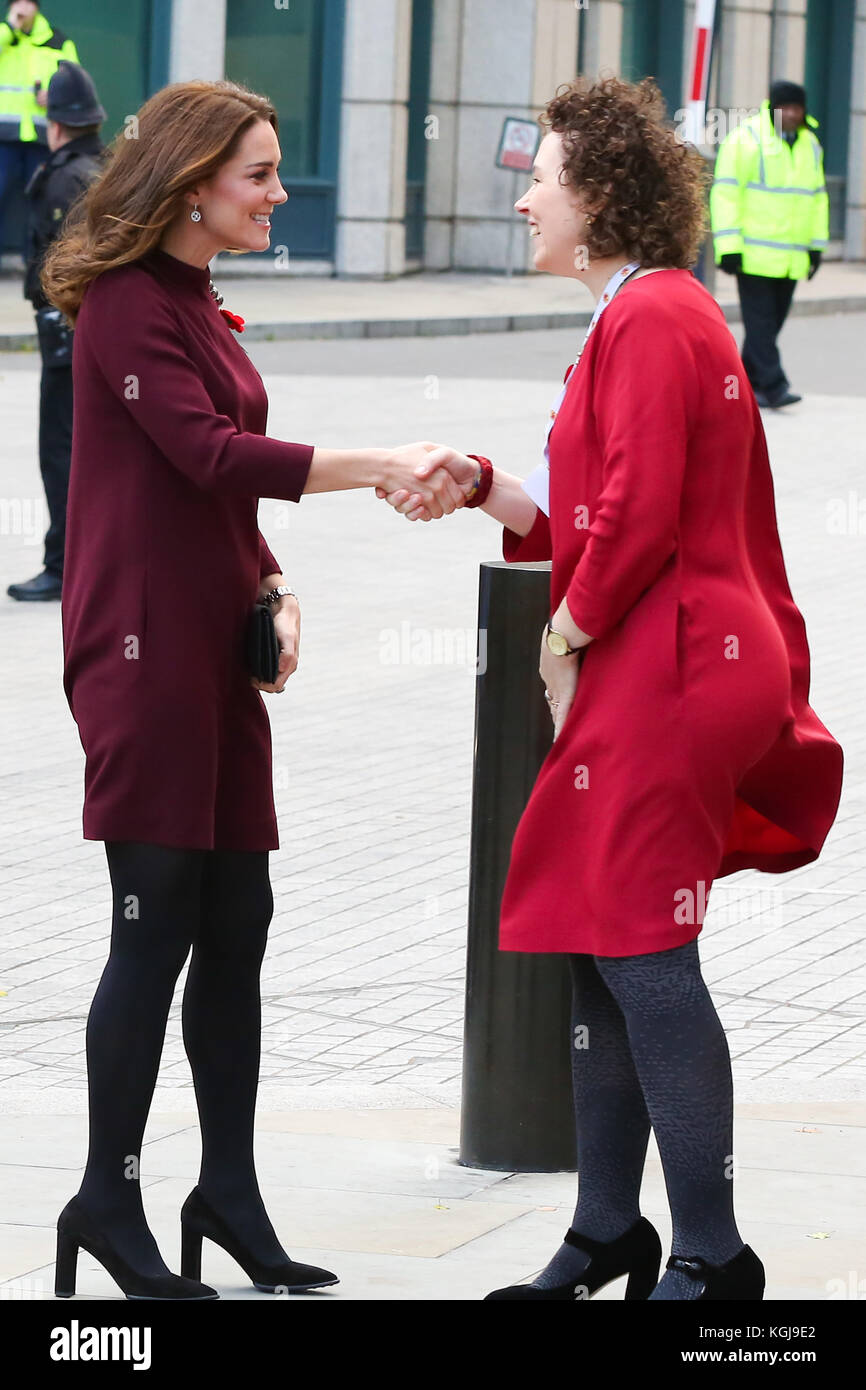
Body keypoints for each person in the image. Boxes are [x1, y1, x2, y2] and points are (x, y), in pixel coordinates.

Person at [379, 75, 843, 1301]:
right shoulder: (650, 313)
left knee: (643, 955)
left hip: (673, 662)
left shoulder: (648, 320)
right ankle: (605, 1231)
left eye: (540, 177)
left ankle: (710, 1253)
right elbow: (589, 512)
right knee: (600, 944)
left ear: (595, 196)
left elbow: (629, 524)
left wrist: (563, 636)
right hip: (676, 653)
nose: (523, 195)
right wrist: (483, 484)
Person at [41, 78, 466, 1302]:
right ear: (190, 185)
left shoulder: (197, 305)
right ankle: (105, 1199)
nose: (280, 193)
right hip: (139, 650)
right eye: (261, 174)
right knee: (152, 923)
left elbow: (213, 487)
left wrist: (272, 580)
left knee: (239, 926)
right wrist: (382, 460)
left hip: (214, 641)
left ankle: (225, 1192)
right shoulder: (127, 305)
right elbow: (209, 453)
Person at [7, 61, 105, 603]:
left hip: (67, 339)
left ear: (56, 123)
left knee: (62, 451)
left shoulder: (63, 176)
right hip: (84, 337)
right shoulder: (101, 167)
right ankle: (77, 564)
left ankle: (63, 566)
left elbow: (69, 264)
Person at [711, 79, 828, 409]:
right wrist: (728, 245)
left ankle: (742, 383)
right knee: (761, 325)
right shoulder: (745, 140)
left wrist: (816, 247)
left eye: (797, 108)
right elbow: (726, 193)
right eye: (786, 108)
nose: (792, 114)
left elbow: (817, 199)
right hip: (753, 255)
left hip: (791, 258)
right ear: (773, 107)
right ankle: (774, 386)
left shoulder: (811, 145)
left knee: (770, 326)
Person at [0, 1, 78, 258]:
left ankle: (36, 266)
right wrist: (9, 27)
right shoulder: (4, 36)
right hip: (4, 136)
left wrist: (55, 95)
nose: (22, 6)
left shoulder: (58, 41)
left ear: (37, 7)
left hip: (43, 138)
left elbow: (76, 82)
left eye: (27, 2)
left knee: (44, 204)